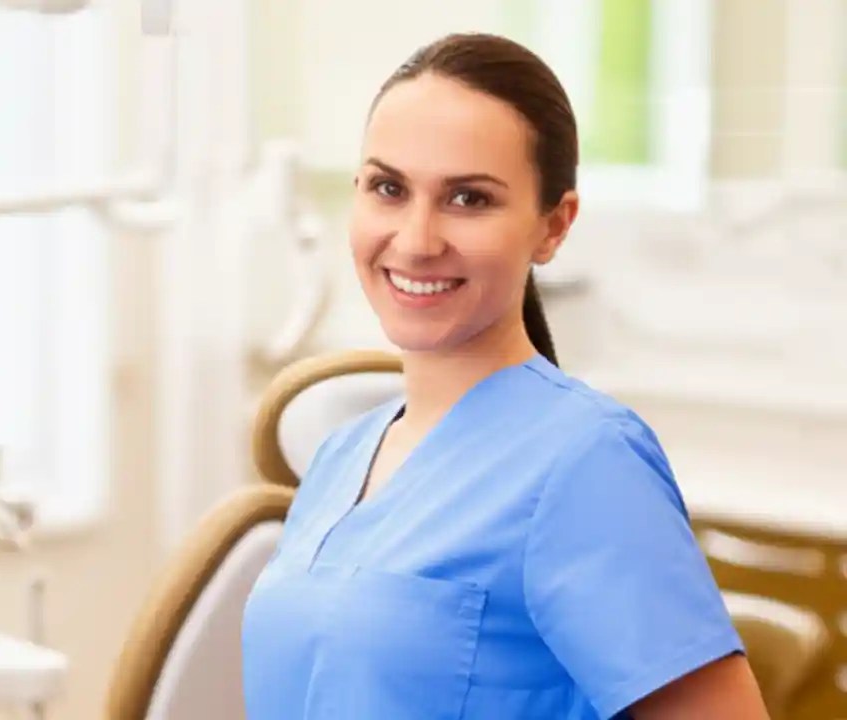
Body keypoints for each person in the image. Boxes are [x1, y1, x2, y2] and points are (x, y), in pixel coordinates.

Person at [240, 33, 768, 719]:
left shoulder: (586, 461)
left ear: (553, 226)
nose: (417, 240)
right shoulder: (340, 456)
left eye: (469, 199)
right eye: (389, 188)